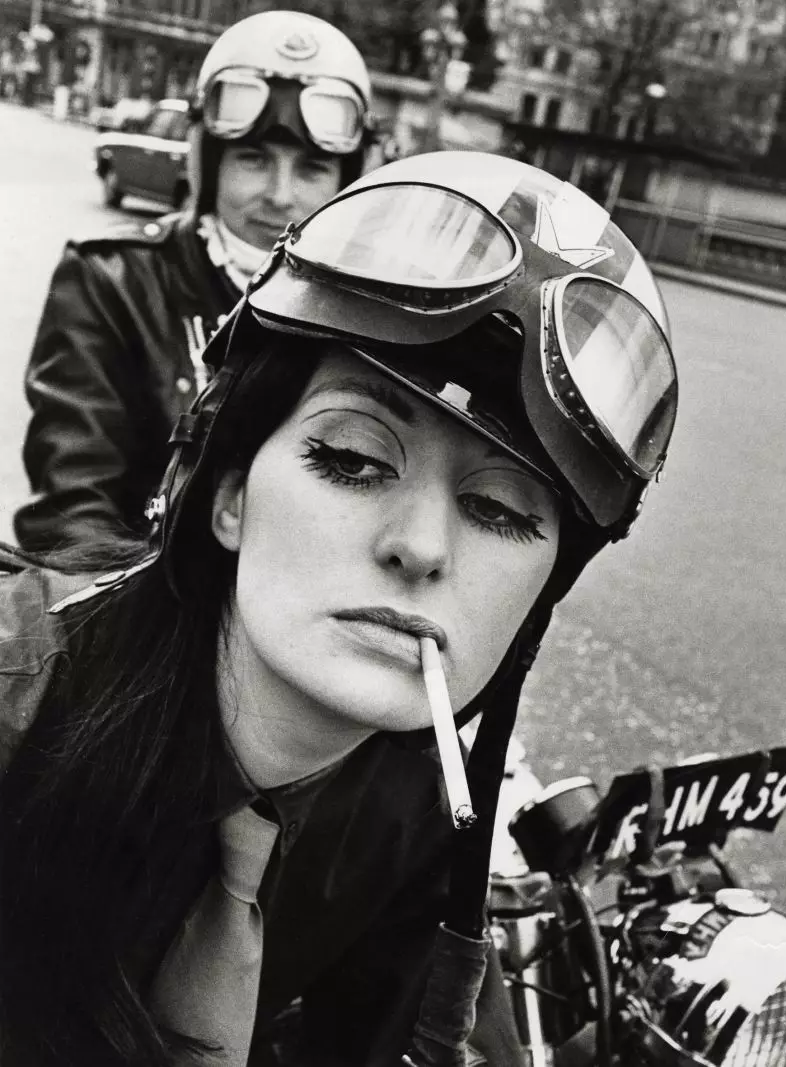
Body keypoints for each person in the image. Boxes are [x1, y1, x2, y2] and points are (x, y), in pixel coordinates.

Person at [0, 152, 678, 1067]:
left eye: (503, 511)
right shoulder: (18, 707)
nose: (425, 546)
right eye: (355, 458)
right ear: (227, 494)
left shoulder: (427, 824)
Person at [14, 9, 374, 554]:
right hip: (142, 604)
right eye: (253, 160)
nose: (280, 195)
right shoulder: (112, 281)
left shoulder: (378, 314)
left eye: (311, 169)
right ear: (208, 162)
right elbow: (72, 512)